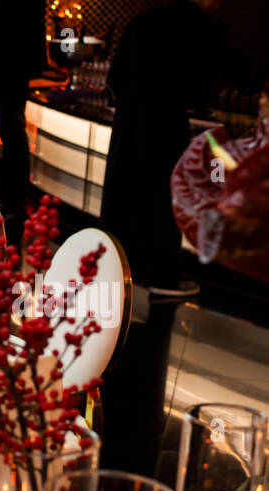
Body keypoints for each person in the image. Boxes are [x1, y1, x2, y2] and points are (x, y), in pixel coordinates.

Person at [101, 0, 253, 298]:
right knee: (163, 198)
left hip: (128, 119)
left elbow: (113, 78)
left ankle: (114, 267)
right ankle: (161, 276)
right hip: (165, 120)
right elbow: (240, 73)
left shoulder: (145, 21)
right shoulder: (205, 28)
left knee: (125, 190)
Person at [0, 1, 47, 242]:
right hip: (13, 59)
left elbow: (7, 19)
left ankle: (15, 199)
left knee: (12, 128)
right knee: (10, 127)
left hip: (12, 58)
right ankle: (13, 197)